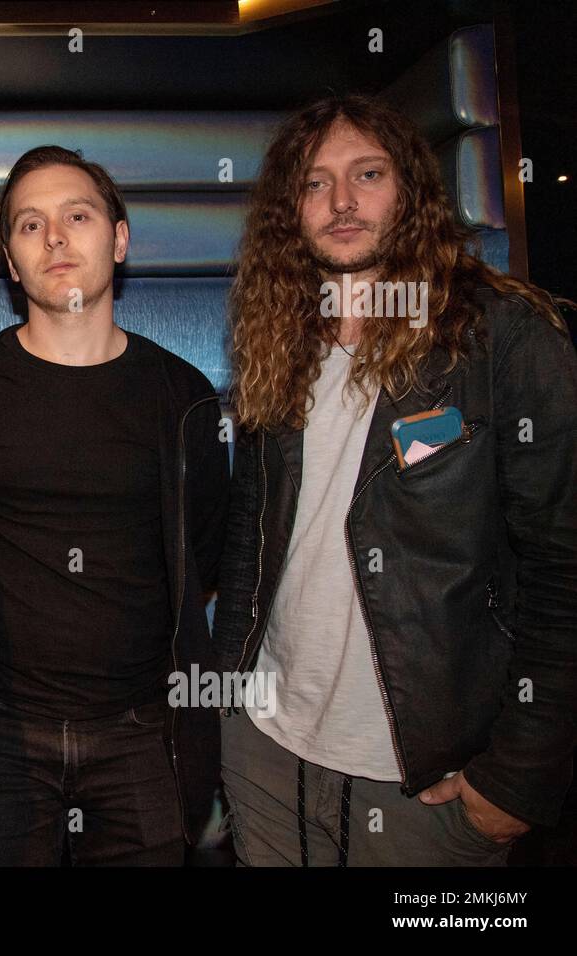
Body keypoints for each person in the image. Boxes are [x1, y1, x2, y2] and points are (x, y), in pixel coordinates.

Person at [214, 94, 577, 866]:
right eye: (315, 183)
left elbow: (564, 570)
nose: (342, 202)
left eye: (367, 174)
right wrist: (228, 700)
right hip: (268, 751)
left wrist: (519, 776)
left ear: (410, 190)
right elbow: (251, 537)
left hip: (429, 777)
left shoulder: (501, 338)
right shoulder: (278, 339)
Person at [0, 145, 229, 865]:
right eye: (30, 226)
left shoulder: (183, 397)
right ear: (10, 261)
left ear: (119, 240)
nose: (56, 238)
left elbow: (207, 562)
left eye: (77, 216)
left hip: (142, 737)